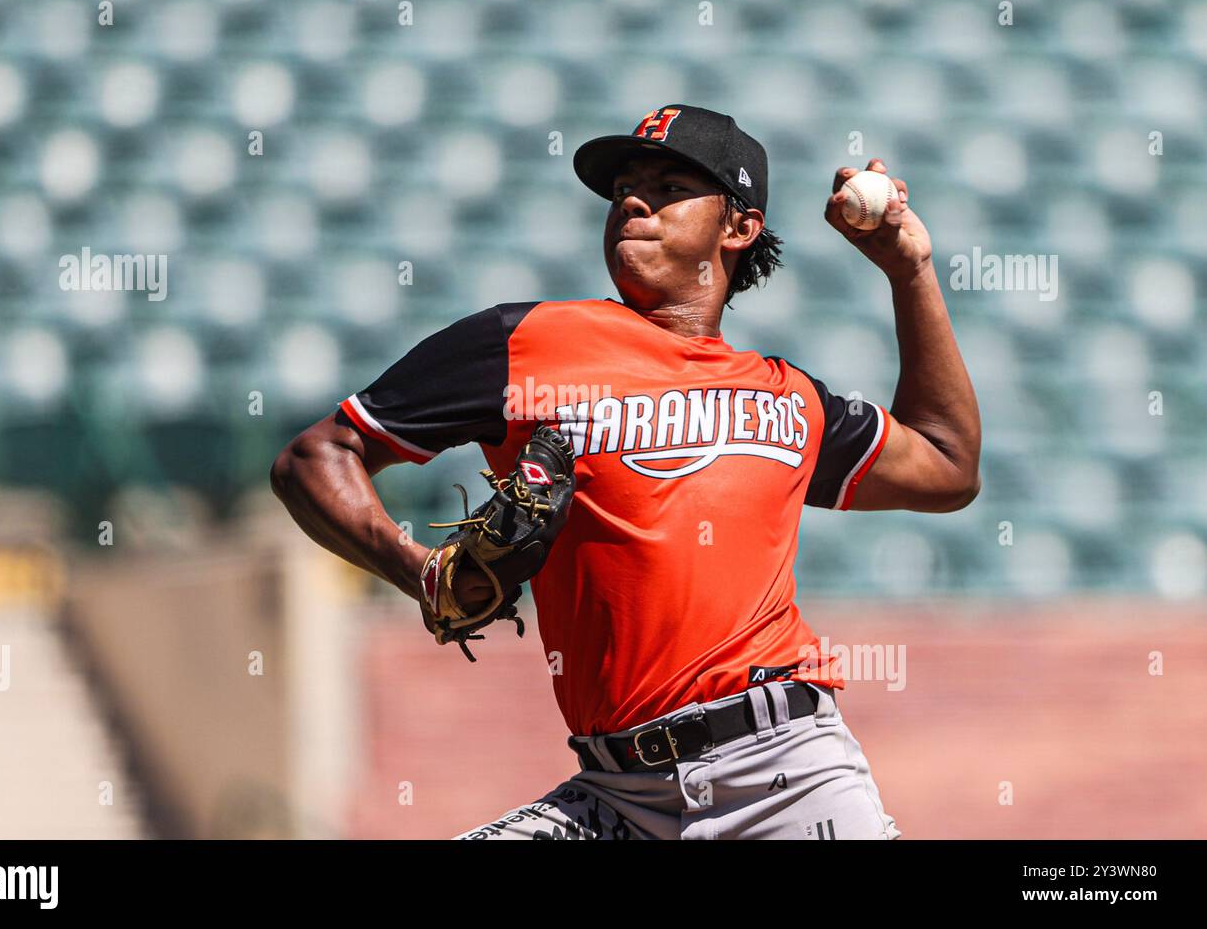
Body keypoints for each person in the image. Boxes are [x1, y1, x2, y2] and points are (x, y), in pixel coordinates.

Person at [271, 104, 981, 839]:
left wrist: (910, 270)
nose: (633, 201)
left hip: (788, 781)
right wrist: (418, 569)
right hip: (616, 796)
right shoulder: (527, 342)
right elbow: (315, 457)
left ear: (738, 228)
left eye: (670, 186)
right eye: (622, 191)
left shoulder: (787, 398)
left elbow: (948, 465)